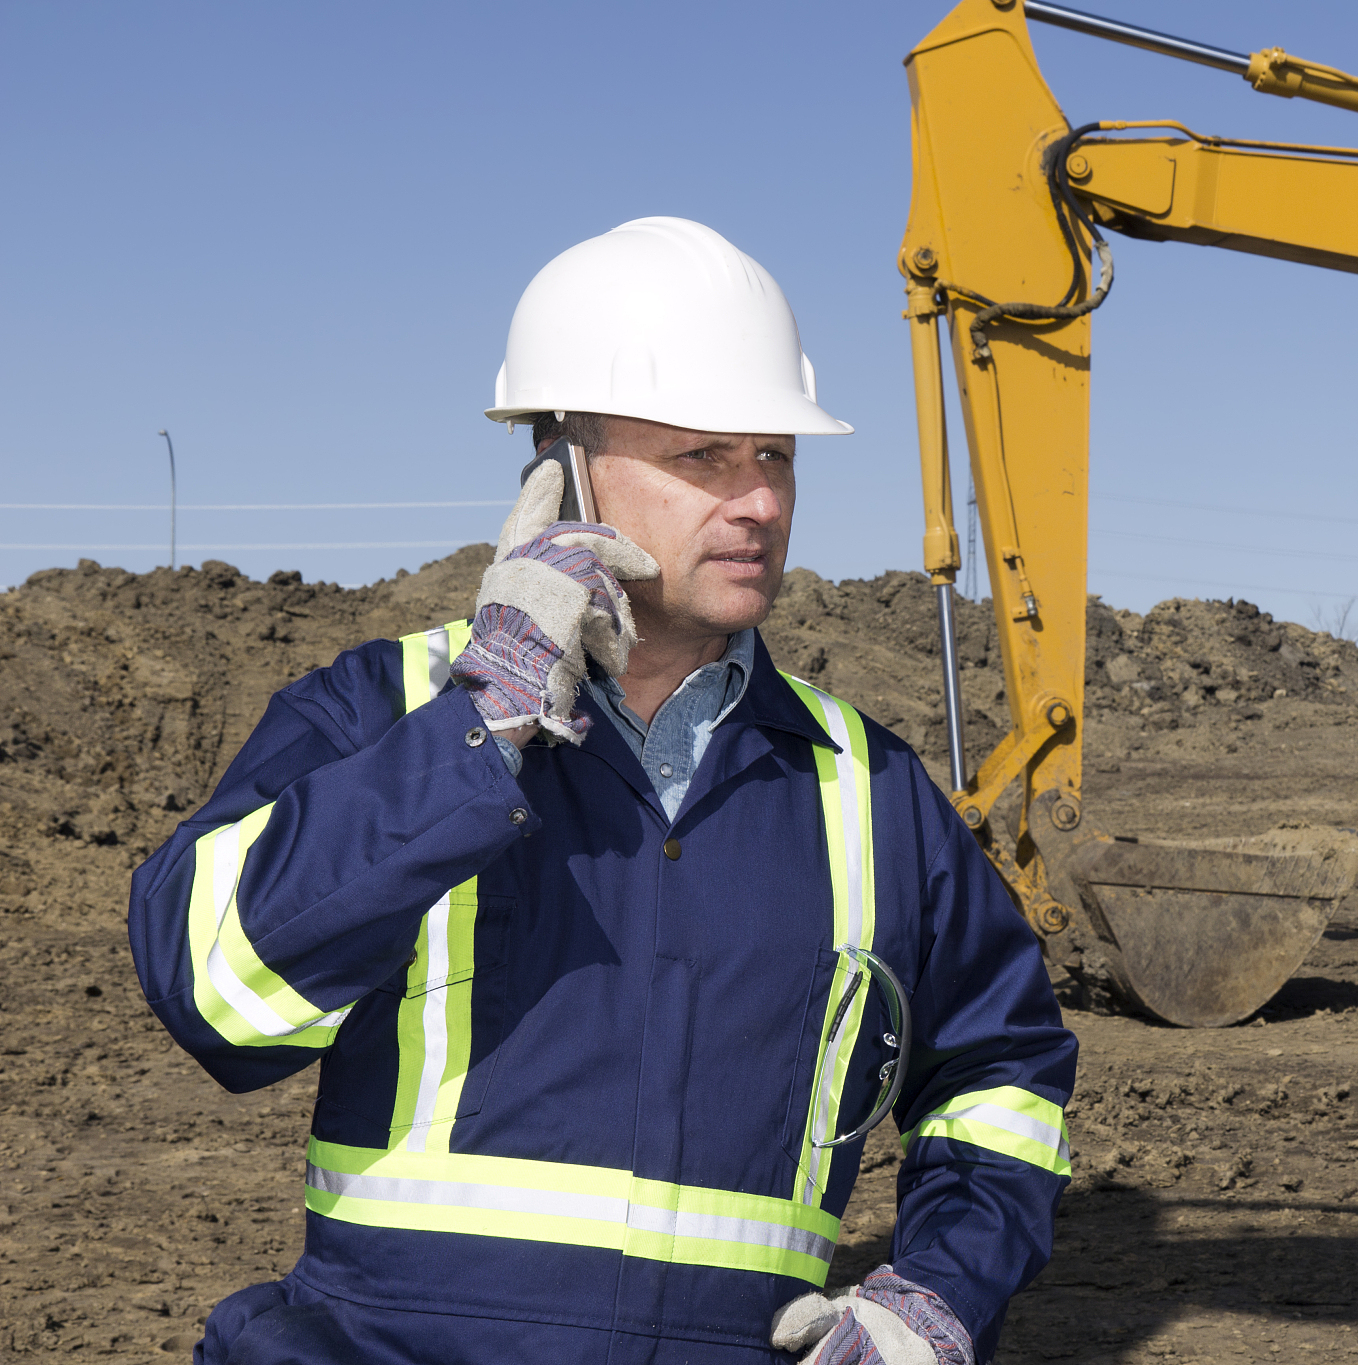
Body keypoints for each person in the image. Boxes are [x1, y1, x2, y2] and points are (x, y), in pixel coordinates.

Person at [128, 217, 1076, 1365]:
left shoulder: (865, 785)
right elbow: (214, 998)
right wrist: (482, 725)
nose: (761, 504)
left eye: (773, 455)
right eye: (702, 459)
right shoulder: (381, 712)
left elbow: (999, 1074)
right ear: (565, 471)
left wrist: (936, 1295)